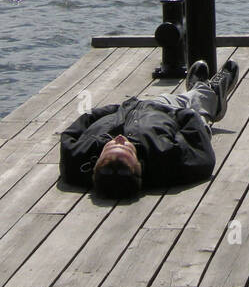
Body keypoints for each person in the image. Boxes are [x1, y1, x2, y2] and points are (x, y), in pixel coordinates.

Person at [59, 59, 239, 200]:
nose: (119, 139)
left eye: (111, 146)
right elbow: (201, 149)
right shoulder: (167, 159)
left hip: (137, 107)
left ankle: (200, 90)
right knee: (198, 110)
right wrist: (180, 115)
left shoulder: (77, 159)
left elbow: (73, 131)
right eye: (126, 148)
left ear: (95, 163)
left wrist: (115, 109)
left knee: (176, 97)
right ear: (139, 164)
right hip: (170, 114)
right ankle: (211, 93)